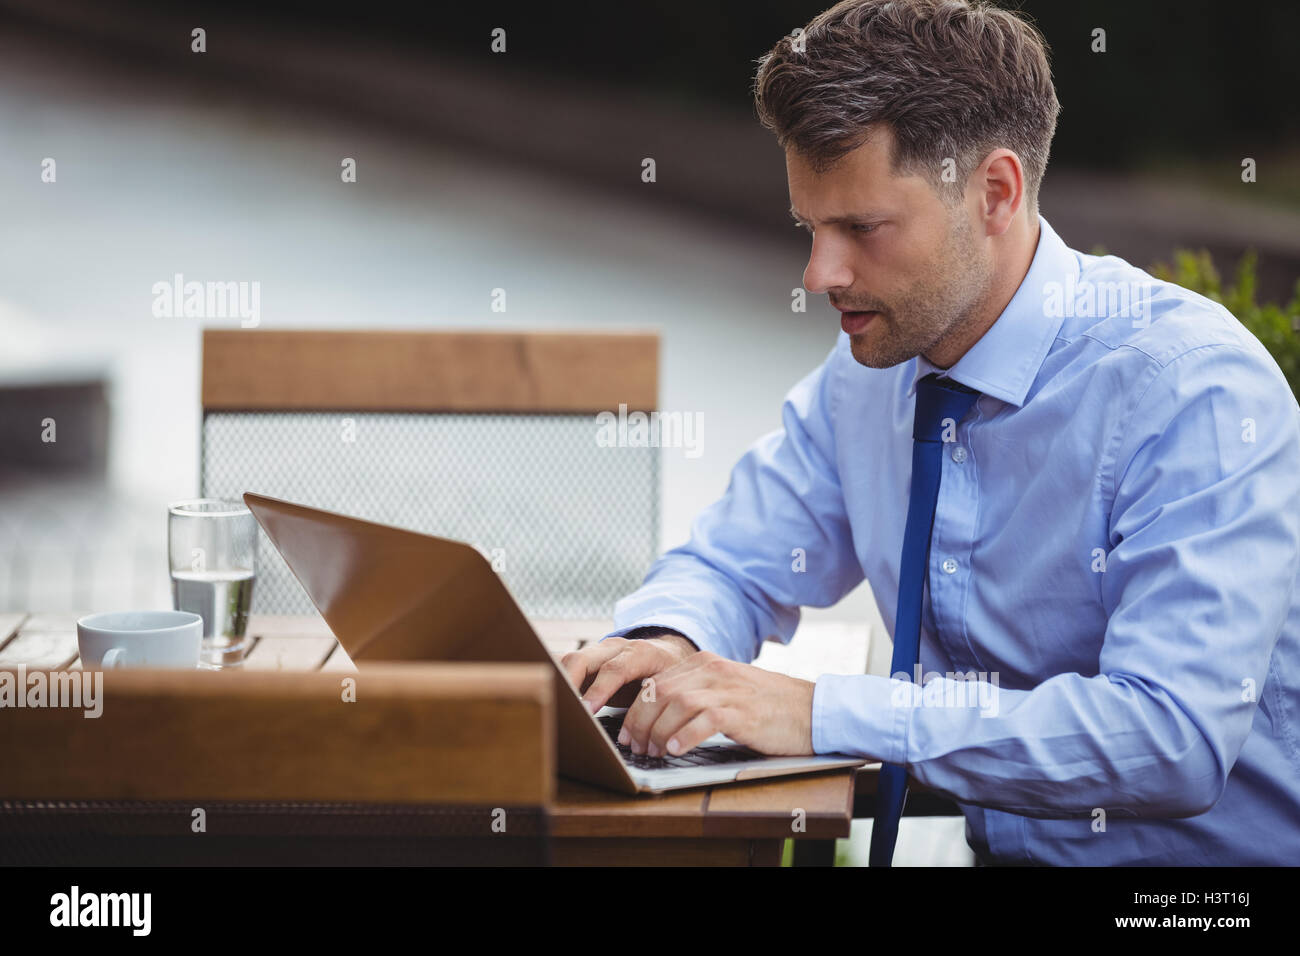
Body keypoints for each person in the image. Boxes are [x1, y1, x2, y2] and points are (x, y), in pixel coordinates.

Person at [561, 0, 1300, 866]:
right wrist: (665, 647)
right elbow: (734, 561)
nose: (818, 274)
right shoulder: (870, 373)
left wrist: (816, 712)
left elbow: (1170, 738)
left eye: (861, 229)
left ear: (995, 192)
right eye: (811, 229)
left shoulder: (1191, 390)